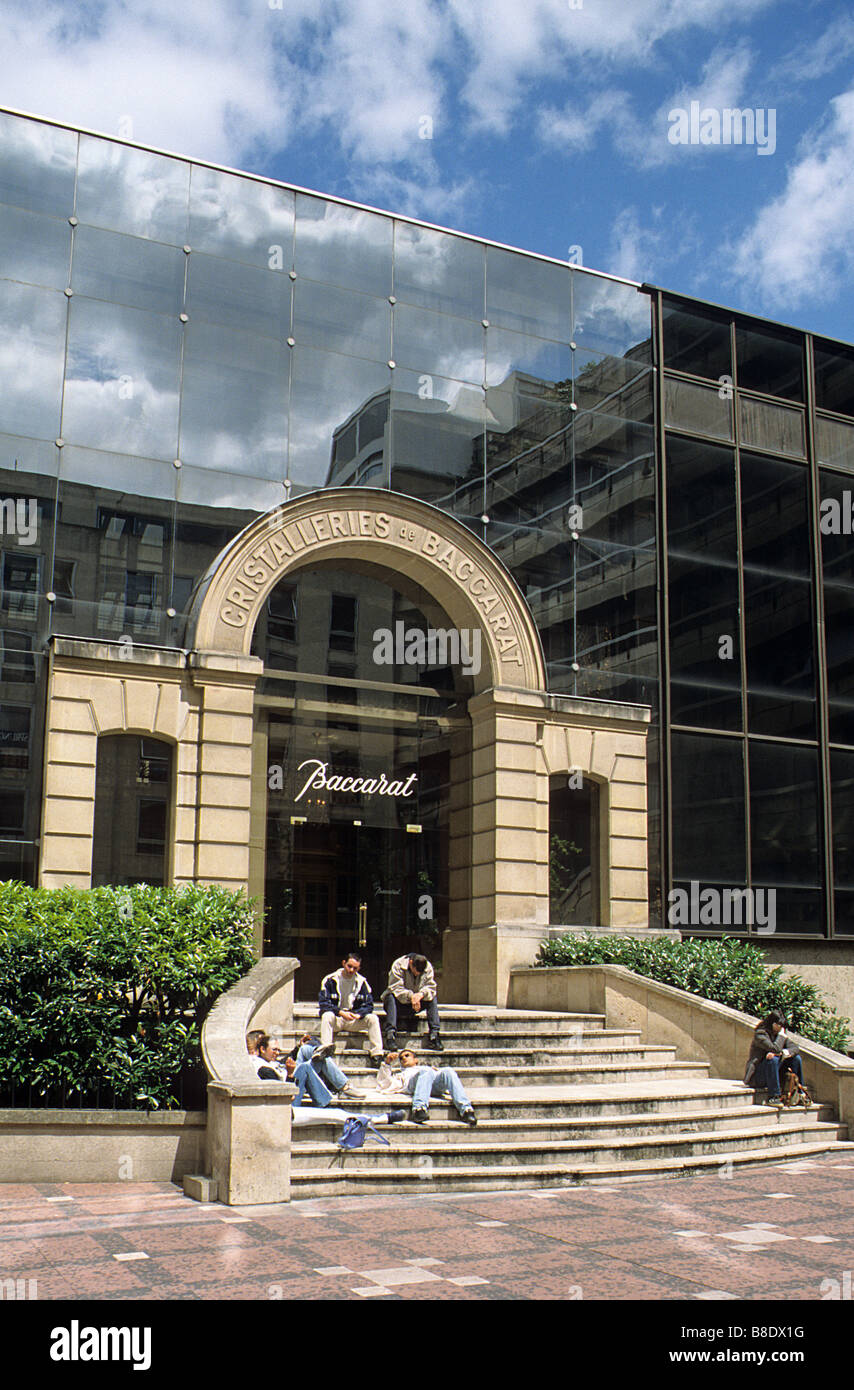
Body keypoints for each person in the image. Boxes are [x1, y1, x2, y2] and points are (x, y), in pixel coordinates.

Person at [248, 1033, 404, 1128]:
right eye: (274, 1050)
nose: (277, 1052)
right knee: (336, 1113)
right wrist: (290, 1075)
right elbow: (285, 1098)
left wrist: (298, 1048)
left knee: (306, 1053)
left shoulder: (270, 1063)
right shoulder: (263, 1069)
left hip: (291, 1104)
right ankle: (381, 1119)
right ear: (262, 1049)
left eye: (278, 1049)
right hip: (287, 1112)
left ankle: (319, 1057)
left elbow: (283, 1062)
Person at [378, 1047, 476, 1125]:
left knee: (448, 1071)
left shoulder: (426, 1068)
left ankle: (466, 1110)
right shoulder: (401, 1074)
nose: (403, 1058)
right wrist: (387, 1063)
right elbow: (384, 1082)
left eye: (407, 1055)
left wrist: (435, 1072)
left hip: (432, 1085)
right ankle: (419, 1109)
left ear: (416, 1060)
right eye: (401, 1058)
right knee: (426, 1071)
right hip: (414, 1085)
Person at [318, 951, 384, 1063]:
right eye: (349, 966)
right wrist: (340, 1012)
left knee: (373, 1018)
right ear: (343, 963)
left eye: (355, 968)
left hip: (353, 1019)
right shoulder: (330, 980)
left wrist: (359, 1014)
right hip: (337, 1019)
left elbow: (369, 1005)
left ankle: (377, 1054)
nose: (351, 970)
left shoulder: (362, 982)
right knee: (327, 1015)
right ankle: (326, 1050)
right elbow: (324, 1004)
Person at [743, 1010, 809, 1107]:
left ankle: (799, 1093)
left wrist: (783, 1052)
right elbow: (775, 1048)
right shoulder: (760, 1034)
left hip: (774, 1073)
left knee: (796, 1059)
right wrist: (781, 1038)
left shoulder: (778, 1034)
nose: (781, 1028)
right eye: (779, 1025)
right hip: (758, 1076)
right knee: (772, 1060)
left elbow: (795, 1048)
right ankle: (773, 1096)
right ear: (773, 1023)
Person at [382, 953, 443, 1051]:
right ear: (410, 963)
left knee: (432, 997)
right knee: (390, 996)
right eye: (416, 971)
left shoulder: (428, 967)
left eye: (420, 972)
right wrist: (411, 996)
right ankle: (390, 1036)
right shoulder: (398, 965)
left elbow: (431, 987)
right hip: (398, 1004)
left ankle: (434, 1035)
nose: (418, 974)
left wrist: (420, 995)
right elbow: (395, 988)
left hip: (416, 1004)